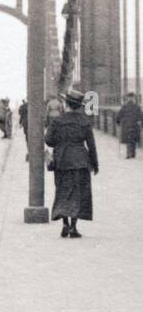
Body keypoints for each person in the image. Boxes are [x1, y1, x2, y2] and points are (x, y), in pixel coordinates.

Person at [45, 87, 98, 238]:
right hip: (81, 161)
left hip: (62, 161)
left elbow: (48, 140)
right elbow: (91, 145)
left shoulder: (57, 120)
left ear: (66, 103)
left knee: (63, 192)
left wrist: (60, 143)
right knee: (78, 193)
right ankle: (74, 228)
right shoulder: (84, 121)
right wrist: (95, 164)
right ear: (79, 105)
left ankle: (65, 225)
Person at [115, 92, 141, 159]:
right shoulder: (137, 106)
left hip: (126, 126)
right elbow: (141, 116)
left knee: (128, 139)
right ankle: (132, 153)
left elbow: (119, 115)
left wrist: (118, 121)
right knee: (133, 139)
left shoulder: (124, 106)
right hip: (135, 126)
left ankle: (129, 153)